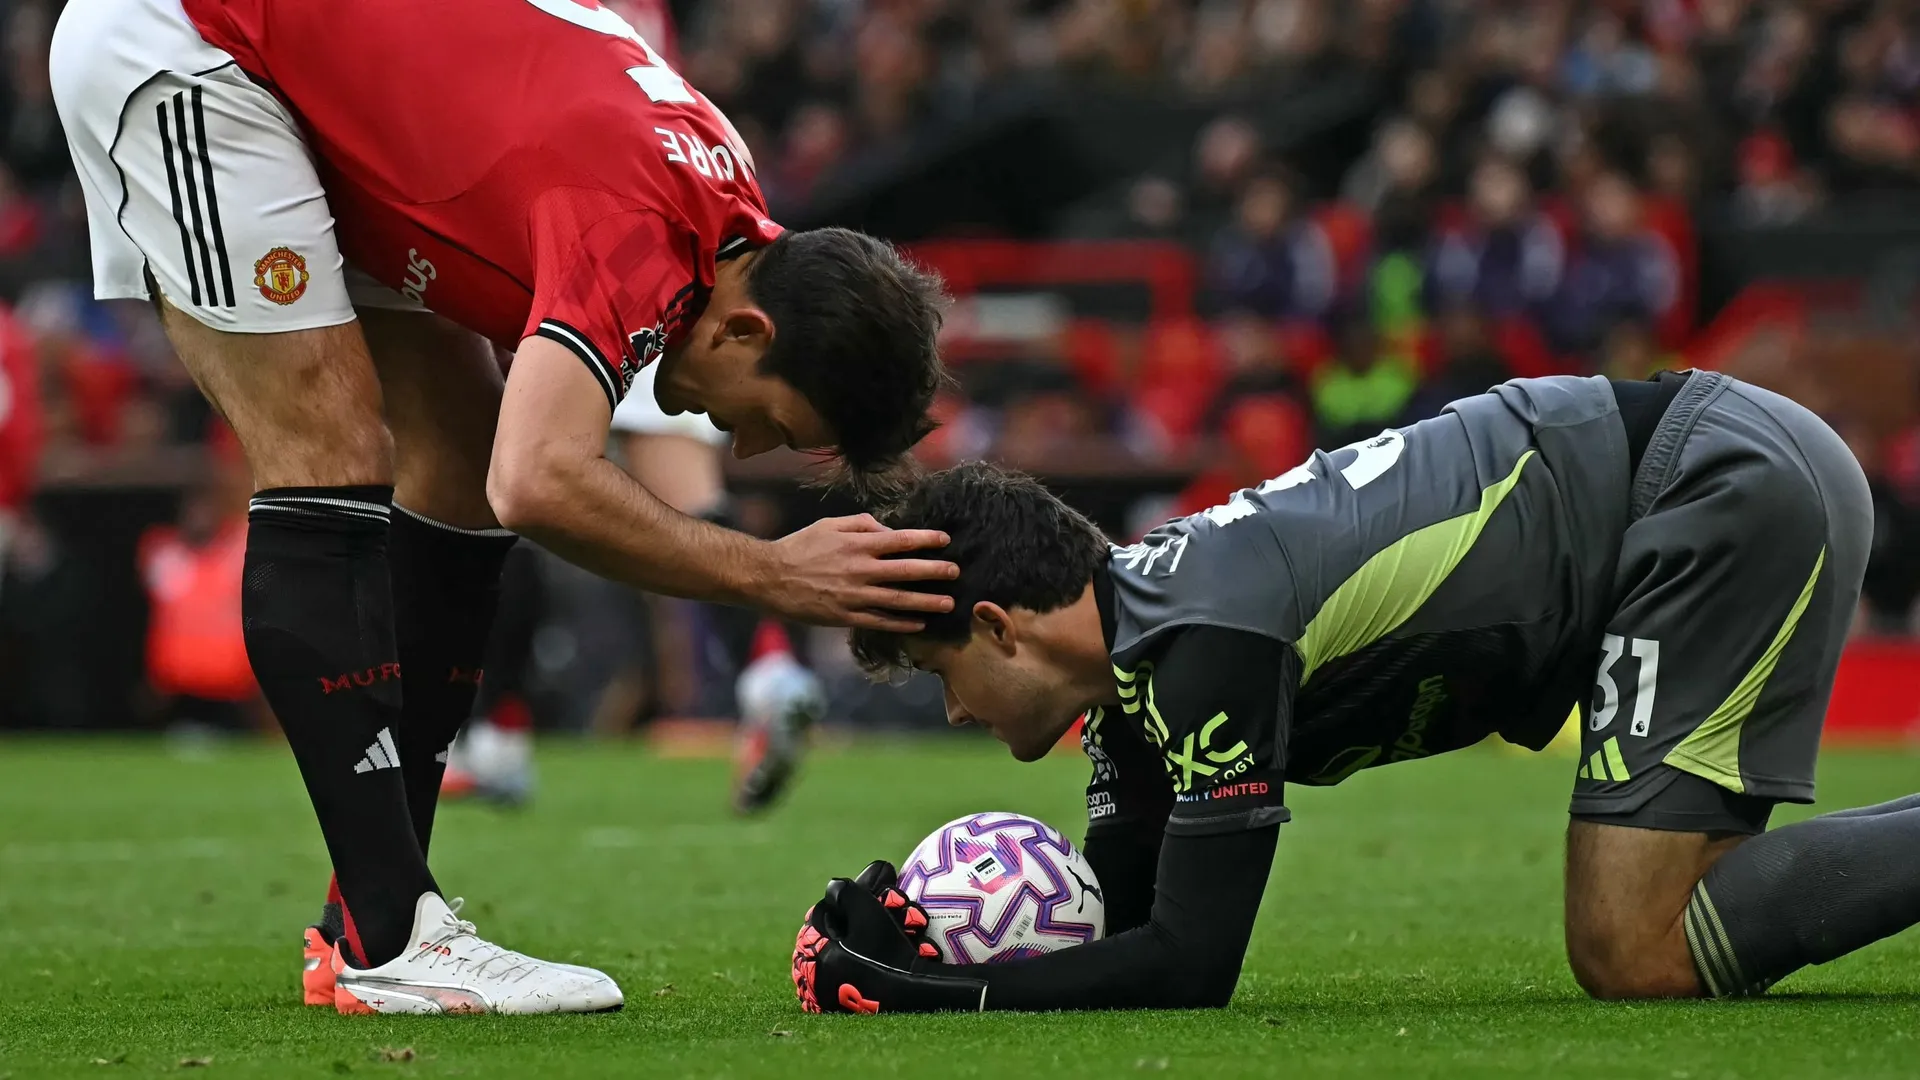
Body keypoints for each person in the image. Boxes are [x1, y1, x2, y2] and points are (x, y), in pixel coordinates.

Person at [51, 0, 956, 1016]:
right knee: (328, 448)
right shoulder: (641, 232)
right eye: (775, 425)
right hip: (192, 42)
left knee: (457, 447)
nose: (744, 447)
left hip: (299, 83)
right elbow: (539, 483)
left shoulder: (718, 194)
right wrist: (772, 574)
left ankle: (371, 916)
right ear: (749, 331)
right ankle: (389, 940)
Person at [792, 371, 1920, 1013]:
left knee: (1638, 950)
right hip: (1697, 474)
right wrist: (931, 943)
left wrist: (939, 1004)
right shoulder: (1149, 663)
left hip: (1713, 479)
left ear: (998, 625)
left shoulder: (1202, 643)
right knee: (1663, 934)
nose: (953, 714)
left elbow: (1191, 968)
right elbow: (1128, 929)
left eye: (945, 673)